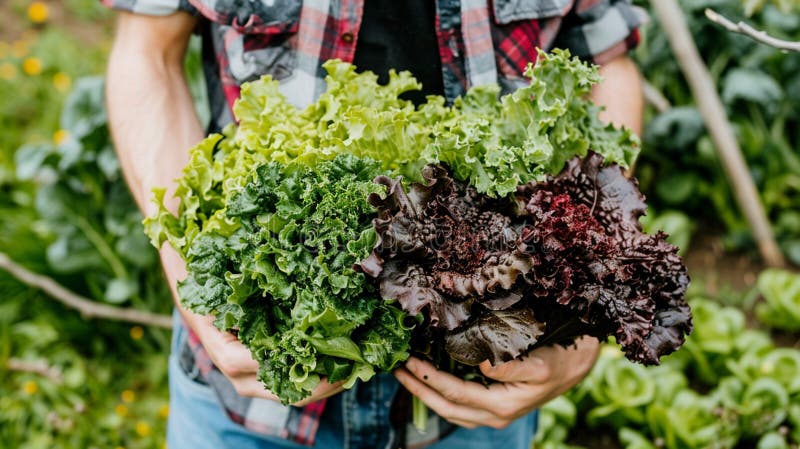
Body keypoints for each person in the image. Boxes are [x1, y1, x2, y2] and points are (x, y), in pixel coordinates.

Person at [103, 1, 644, 448]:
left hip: (480, 386)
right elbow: (149, 53)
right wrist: (198, 289)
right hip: (250, 397)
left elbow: (605, 62)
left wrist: (577, 317)